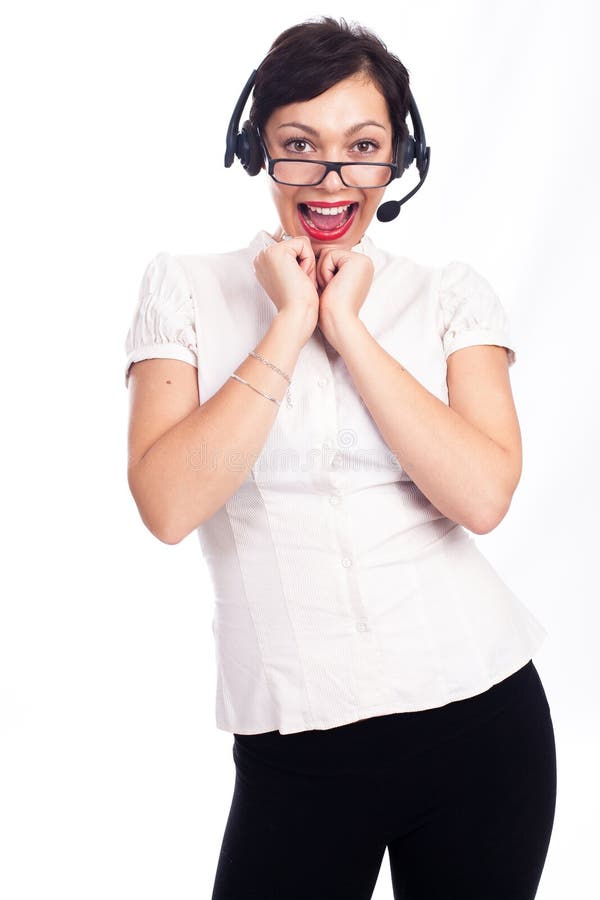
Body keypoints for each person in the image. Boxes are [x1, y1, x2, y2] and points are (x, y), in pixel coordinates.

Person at [123, 15, 557, 900]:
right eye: (299, 145)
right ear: (258, 148)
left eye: (362, 147)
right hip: (297, 751)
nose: (331, 178)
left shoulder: (447, 296)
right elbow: (167, 505)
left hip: (482, 724)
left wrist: (348, 328)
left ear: (399, 159)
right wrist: (290, 321)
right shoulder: (187, 289)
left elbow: (483, 497)